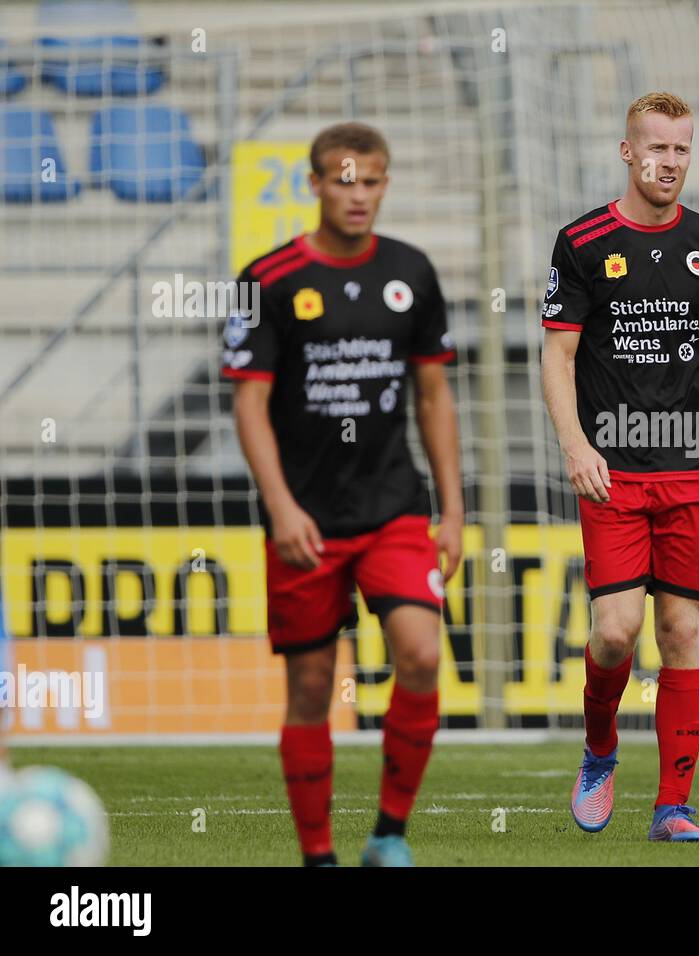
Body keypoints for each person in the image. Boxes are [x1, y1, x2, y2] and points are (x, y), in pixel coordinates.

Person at [222, 122, 466, 864]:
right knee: (312, 686)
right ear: (316, 184)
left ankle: (389, 834)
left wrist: (453, 511)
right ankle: (318, 855)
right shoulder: (267, 280)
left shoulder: (413, 272)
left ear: (385, 183)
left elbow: (433, 396)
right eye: (343, 180)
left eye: (372, 181)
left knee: (421, 656)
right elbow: (249, 404)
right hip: (307, 517)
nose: (358, 196)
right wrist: (281, 507)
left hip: (393, 507)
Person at [540, 92, 699, 842]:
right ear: (628, 151)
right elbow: (557, 356)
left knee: (682, 632)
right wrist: (575, 446)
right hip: (614, 469)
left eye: (682, 149)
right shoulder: (584, 240)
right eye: (656, 148)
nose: (669, 162)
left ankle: (673, 808)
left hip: (693, 467)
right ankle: (600, 748)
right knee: (618, 633)